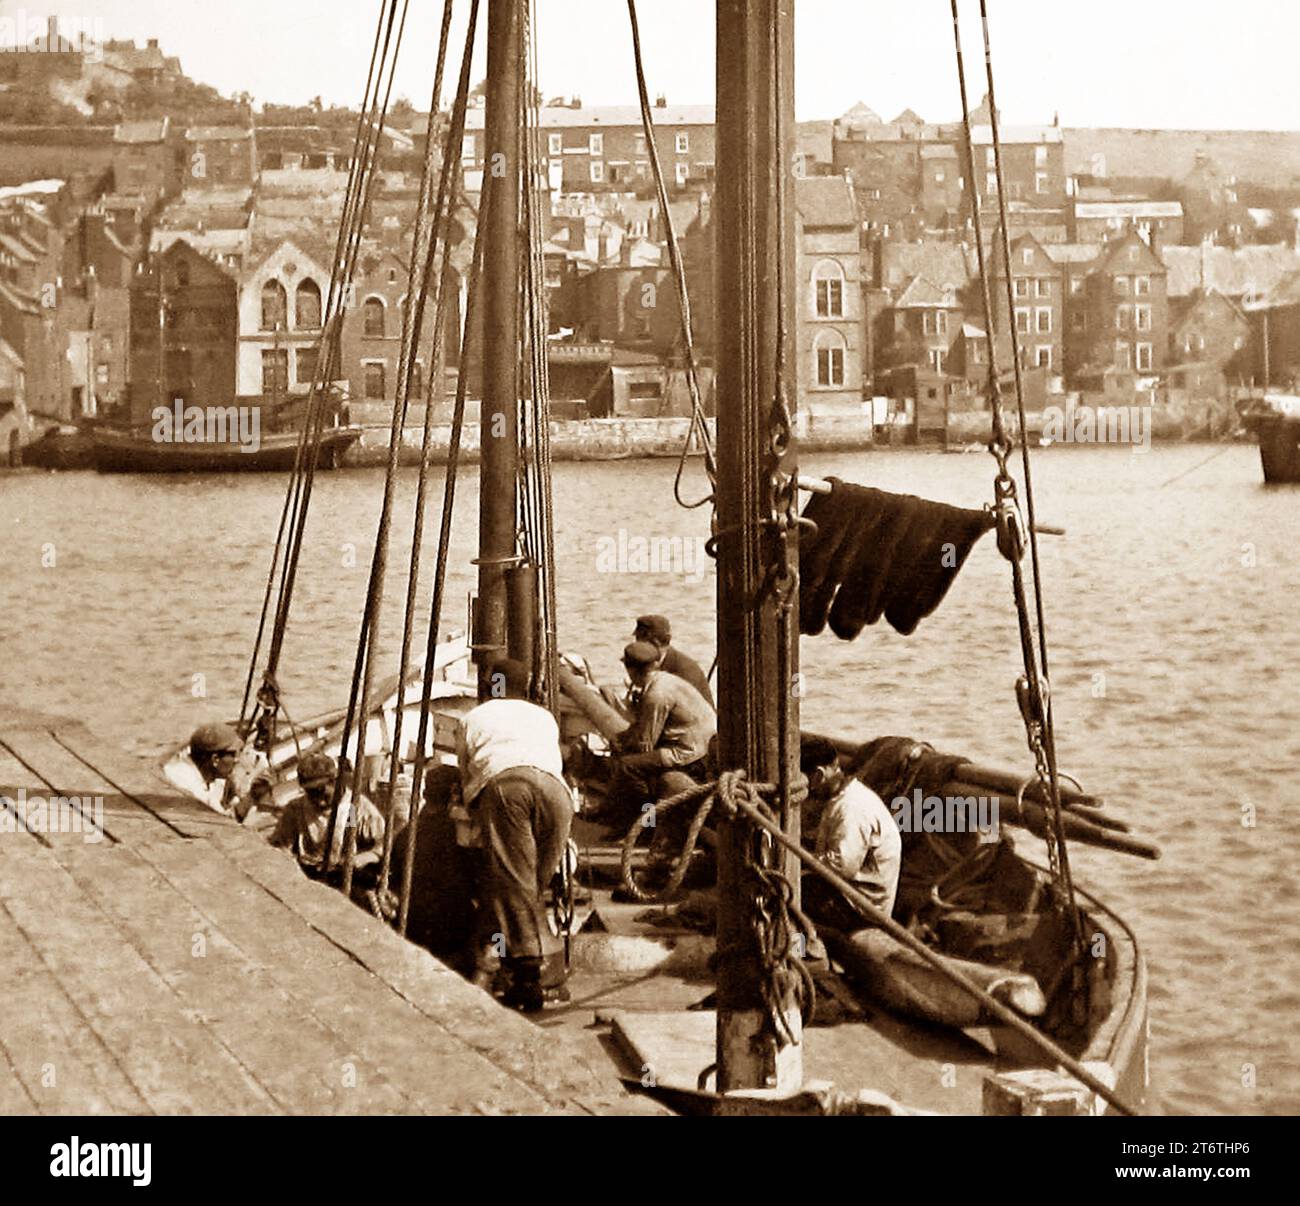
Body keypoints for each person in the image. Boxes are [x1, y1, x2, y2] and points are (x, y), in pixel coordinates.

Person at [457, 658, 574, 1012]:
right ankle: (530, 960)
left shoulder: (474, 717)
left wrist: (474, 813)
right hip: (557, 794)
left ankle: (527, 978)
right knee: (534, 883)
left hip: (509, 789)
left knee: (514, 884)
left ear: (492, 684)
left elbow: (467, 775)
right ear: (527, 686)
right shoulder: (544, 716)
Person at [798, 737, 902, 931]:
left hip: (863, 909)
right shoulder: (843, 796)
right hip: (852, 891)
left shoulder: (851, 808)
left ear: (818, 775)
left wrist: (799, 859)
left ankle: (800, 946)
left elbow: (842, 867)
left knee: (790, 893)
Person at [613, 640, 716, 803]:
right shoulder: (668, 679)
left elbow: (645, 744)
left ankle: (645, 811)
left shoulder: (655, 695)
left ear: (630, 671)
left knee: (627, 766)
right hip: (705, 745)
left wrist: (623, 743)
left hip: (689, 754)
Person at [269, 751, 386, 884]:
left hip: (348, 878)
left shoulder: (354, 808)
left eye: (322, 792)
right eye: (312, 793)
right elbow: (280, 846)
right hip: (307, 877)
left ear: (335, 782)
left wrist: (367, 857)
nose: (320, 801)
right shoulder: (296, 809)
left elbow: (383, 843)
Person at [164, 723, 268, 822]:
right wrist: (251, 797)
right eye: (233, 755)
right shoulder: (191, 787)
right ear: (215, 759)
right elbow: (222, 821)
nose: (237, 760)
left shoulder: (201, 773)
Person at [634, 614, 715, 708]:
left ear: (656, 643)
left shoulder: (684, 670)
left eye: (641, 643)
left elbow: (688, 709)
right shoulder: (655, 663)